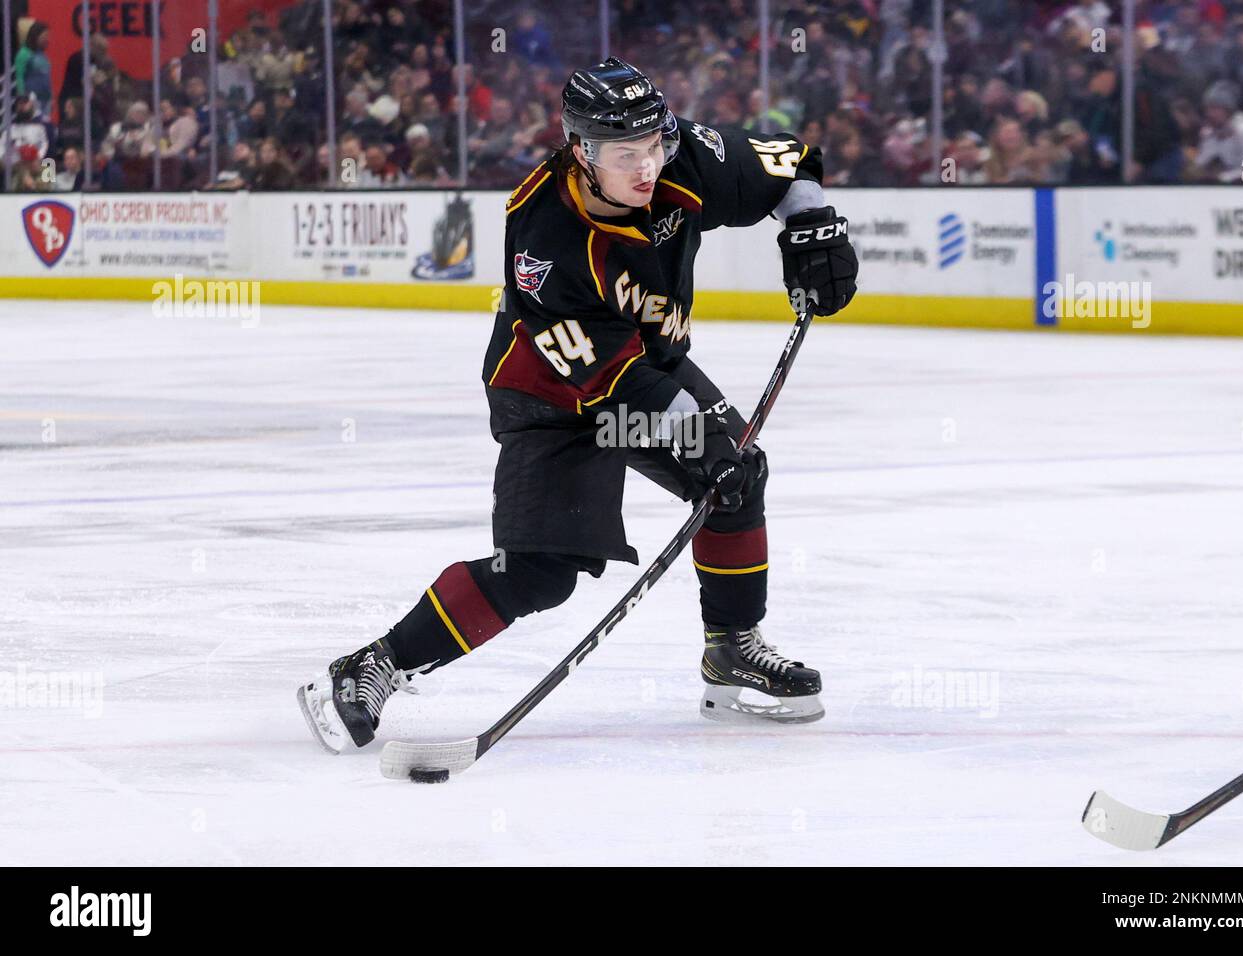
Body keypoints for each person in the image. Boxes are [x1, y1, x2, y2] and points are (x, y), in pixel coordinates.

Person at [298, 57, 858, 752]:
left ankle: (732, 650)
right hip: (551, 393)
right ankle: (374, 663)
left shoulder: (680, 153)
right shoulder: (545, 235)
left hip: (645, 362)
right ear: (582, 150)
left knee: (739, 475)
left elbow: (789, 164)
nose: (648, 166)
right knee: (540, 572)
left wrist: (812, 227)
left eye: (654, 145)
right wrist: (700, 437)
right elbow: (608, 386)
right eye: (627, 154)